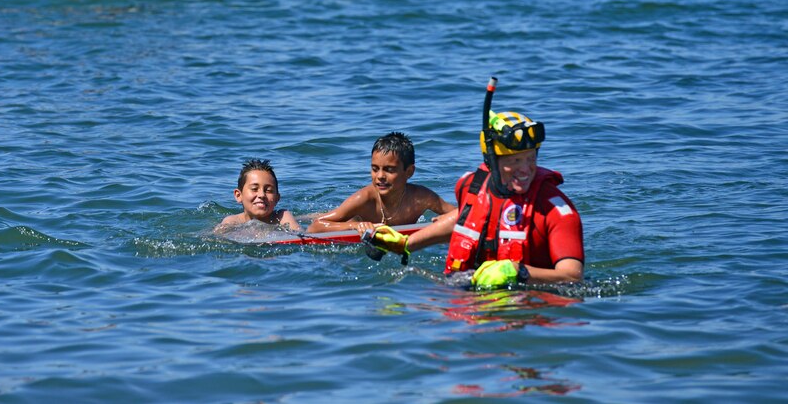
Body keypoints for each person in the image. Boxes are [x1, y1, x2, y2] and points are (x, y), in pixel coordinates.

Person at [366, 103, 585, 289]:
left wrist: (518, 272)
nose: (525, 169)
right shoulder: (473, 188)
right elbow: (466, 220)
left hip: (529, 306)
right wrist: (406, 243)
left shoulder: (556, 210)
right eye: (514, 161)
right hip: (468, 298)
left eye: (530, 159)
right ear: (491, 160)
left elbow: (573, 276)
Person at [306, 132, 455, 233]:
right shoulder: (364, 198)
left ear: (409, 172)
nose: (380, 176)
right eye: (375, 169)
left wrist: (444, 220)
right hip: (349, 219)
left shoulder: (421, 198)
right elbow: (315, 226)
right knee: (312, 221)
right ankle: (299, 219)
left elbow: (459, 213)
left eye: (389, 170)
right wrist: (354, 226)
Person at [216, 159, 299, 231]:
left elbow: (301, 235)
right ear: (238, 195)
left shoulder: (282, 217)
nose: (262, 195)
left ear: (277, 198)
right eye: (254, 189)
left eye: (268, 190)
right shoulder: (232, 221)